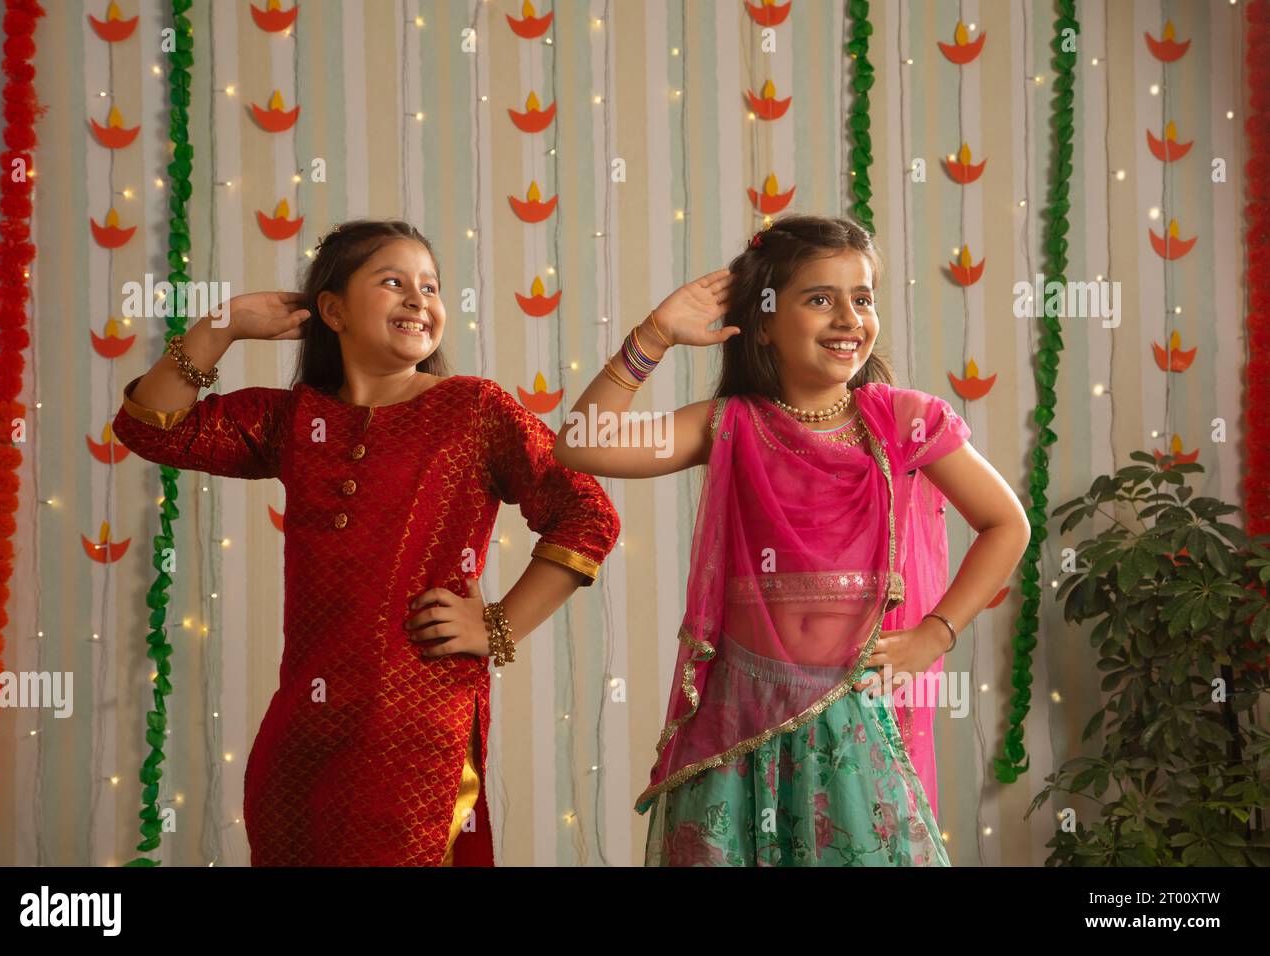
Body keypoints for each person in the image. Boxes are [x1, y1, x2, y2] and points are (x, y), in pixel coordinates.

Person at [113, 219, 621, 866]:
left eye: (430, 286)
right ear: (333, 309)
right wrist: (227, 321)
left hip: (415, 720)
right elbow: (151, 429)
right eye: (393, 282)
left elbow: (587, 512)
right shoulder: (295, 419)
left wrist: (497, 626)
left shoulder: (475, 409)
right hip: (303, 725)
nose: (419, 299)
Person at [554, 214, 1029, 866]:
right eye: (819, 299)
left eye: (862, 299)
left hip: (854, 725)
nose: (848, 318)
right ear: (765, 322)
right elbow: (583, 442)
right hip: (741, 725)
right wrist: (654, 335)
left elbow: (1008, 525)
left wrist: (937, 633)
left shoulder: (906, 421)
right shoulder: (731, 426)